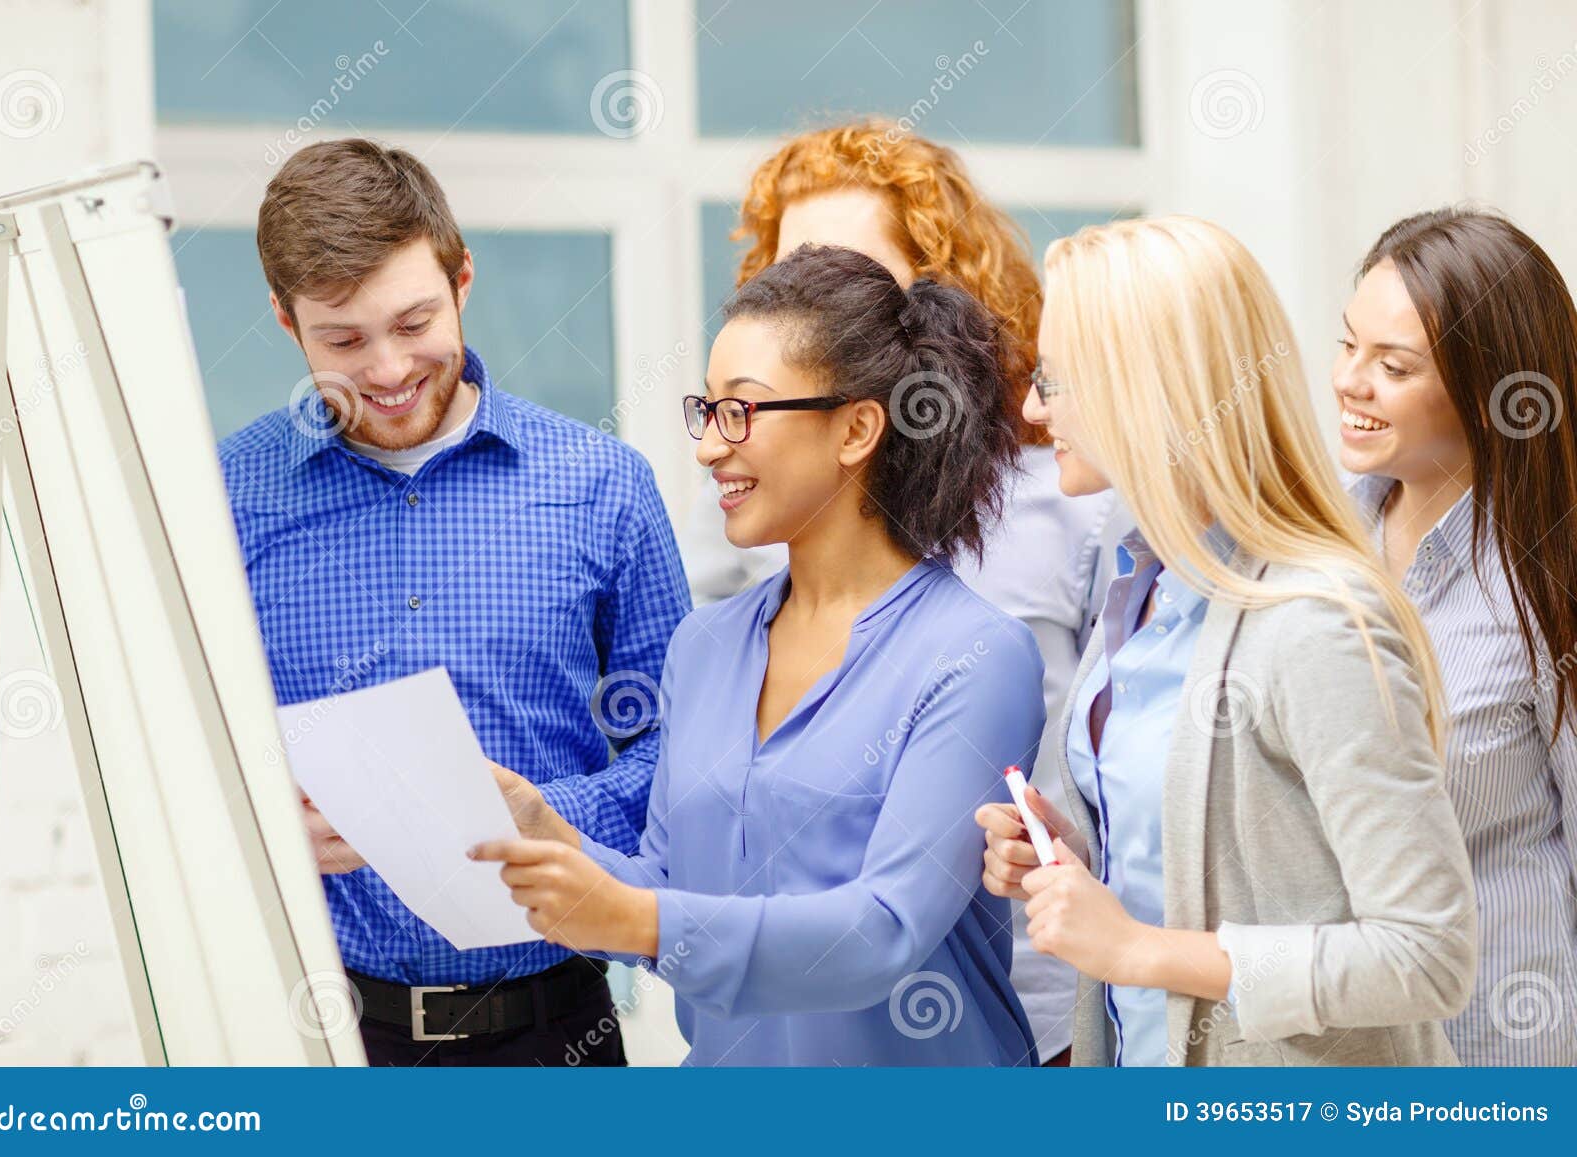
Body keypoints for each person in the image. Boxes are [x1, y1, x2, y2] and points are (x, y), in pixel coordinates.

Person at [472, 244, 1044, 1066]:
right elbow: (666, 885)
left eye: (740, 410)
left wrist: (639, 919)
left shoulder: (977, 656)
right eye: (706, 410)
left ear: (856, 428)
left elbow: (884, 929)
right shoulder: (704, 647)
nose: (709, 446)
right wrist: (547, 831)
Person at [217, 139, 690, 1065]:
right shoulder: (227, 497)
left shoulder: (603, 488)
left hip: (558, 1035)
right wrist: (259, 813)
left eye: (414, 321)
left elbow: (683, 755)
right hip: (324, 1037)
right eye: (343, 341)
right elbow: (173, 752)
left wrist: (539, 815)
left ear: (462, 276)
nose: (388, 369)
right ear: (284, 318)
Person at [976, 216, 1477, 1065]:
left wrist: (1138, 949)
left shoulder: (1314, 620)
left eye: (1054, 380)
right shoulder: (1138, 585)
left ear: (1142, 388)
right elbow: (1214, 863)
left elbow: (1427, 953)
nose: (1032, 408)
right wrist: (1080, 857)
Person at [682, 116, 1119, 1062]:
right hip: (799, 1013)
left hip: (1027, 991)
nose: (826, 286)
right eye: (797, 263)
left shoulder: (1070, 499)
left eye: (854, 262)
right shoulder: (760, 526)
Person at [1335, 208, 1577, 1065]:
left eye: (1393, 365)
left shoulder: (1546, 586)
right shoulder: (1318, 550)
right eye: (1347, 344)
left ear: (1488, 390)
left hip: (1499, 1055)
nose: (1350, 382)